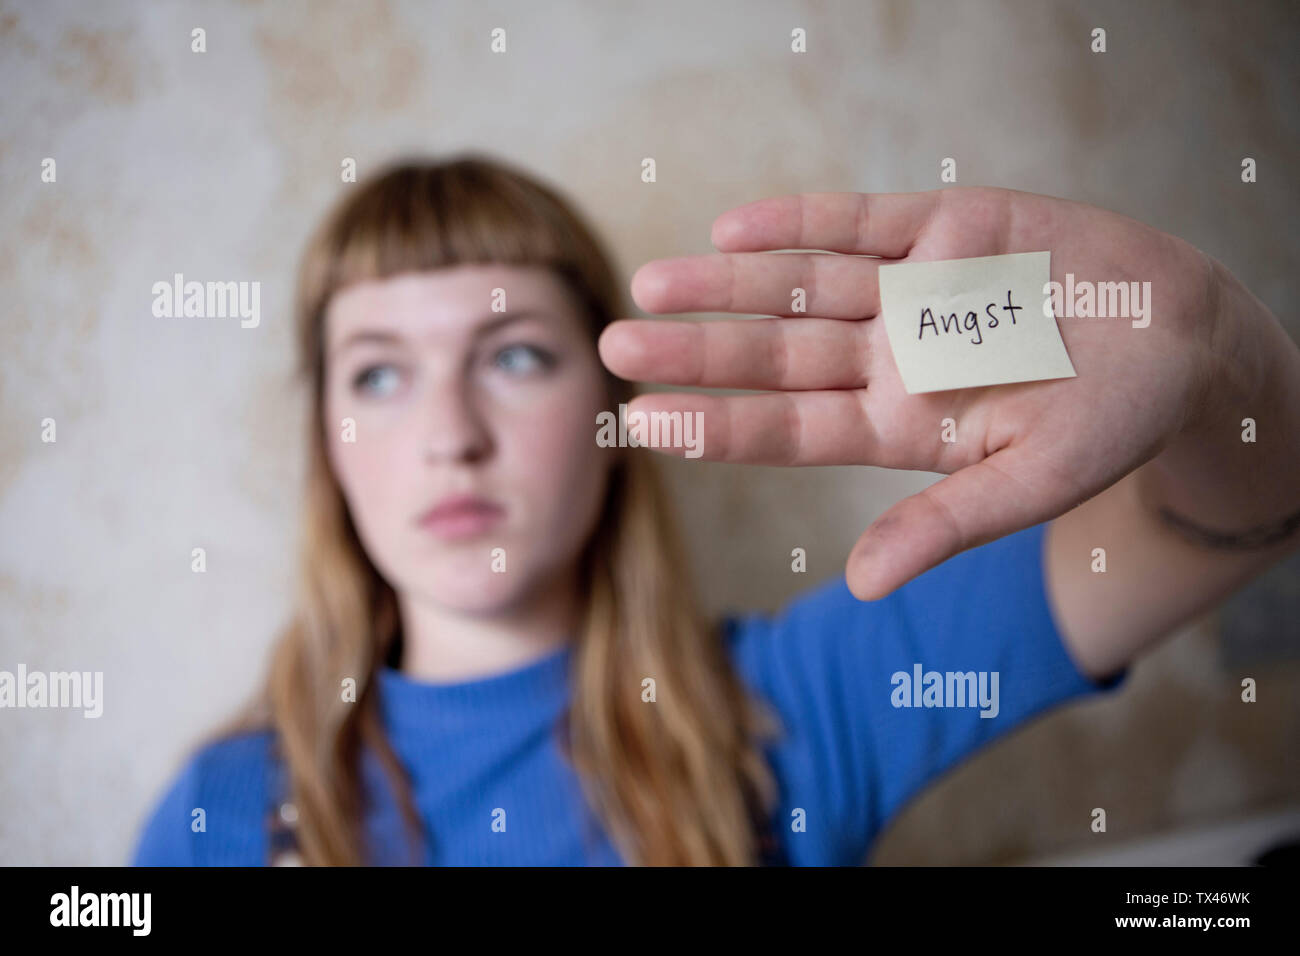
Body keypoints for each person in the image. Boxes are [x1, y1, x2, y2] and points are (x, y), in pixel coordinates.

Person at [130, 154, 1300, 866]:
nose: (449, 432)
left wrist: (1215, 344)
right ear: (324, 443)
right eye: (378, 373)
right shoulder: (221, 815)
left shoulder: (792, 706)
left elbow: (1225, 522)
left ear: (617, 412)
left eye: (517, 355)